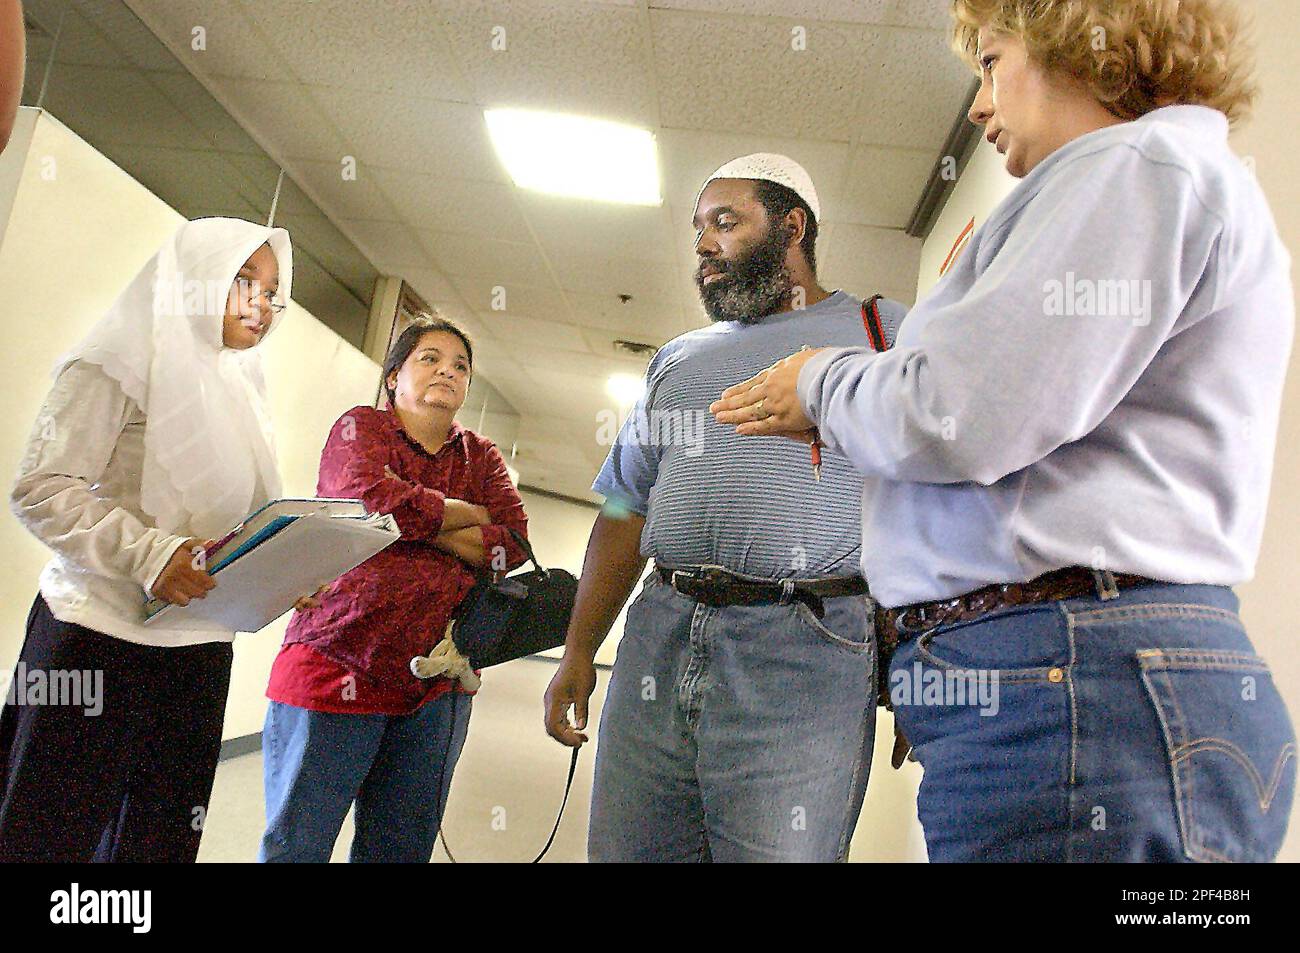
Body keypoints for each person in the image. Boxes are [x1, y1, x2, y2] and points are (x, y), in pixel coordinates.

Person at [712, 0, 1296, 862]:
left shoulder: (1135, 165)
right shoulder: (1162, 178)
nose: (980, 104)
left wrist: (820, 380)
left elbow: (957, 410)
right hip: (1087, 682)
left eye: (990, 63)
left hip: (1074, 684)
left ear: (1078, 43)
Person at [544, 154, 905, 862]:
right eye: (698, 229)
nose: (704, 244)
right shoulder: (677, 360)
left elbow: (939, 495)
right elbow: (625, 509)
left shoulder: (881, 332)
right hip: (661, 630)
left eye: (725, 222)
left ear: (791, 226)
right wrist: (581, 648)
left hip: (807, 646)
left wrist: (927, 658)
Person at [1, 217, 293, 862]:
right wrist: (150, 555)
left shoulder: (240, 387)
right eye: (244, 279)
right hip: (95, 638)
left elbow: (237, 518)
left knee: (156, 842)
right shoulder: (114, 363)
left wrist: (289, 562)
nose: (262, 304)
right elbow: (42, 489)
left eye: (274, 291)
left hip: (195, 645)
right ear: (196, 277)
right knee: (50, 836)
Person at [259, 317, 529, 863]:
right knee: (298, 844)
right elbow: (367, 504)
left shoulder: (483, 456)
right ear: (393, 377)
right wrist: (463, 516)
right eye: (430, 358)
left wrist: (420, 522)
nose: (447, 371)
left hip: (437, 683)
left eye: (460, 366)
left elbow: (513, 546)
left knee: (400, 850)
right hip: (339, 661)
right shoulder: (362, 428)